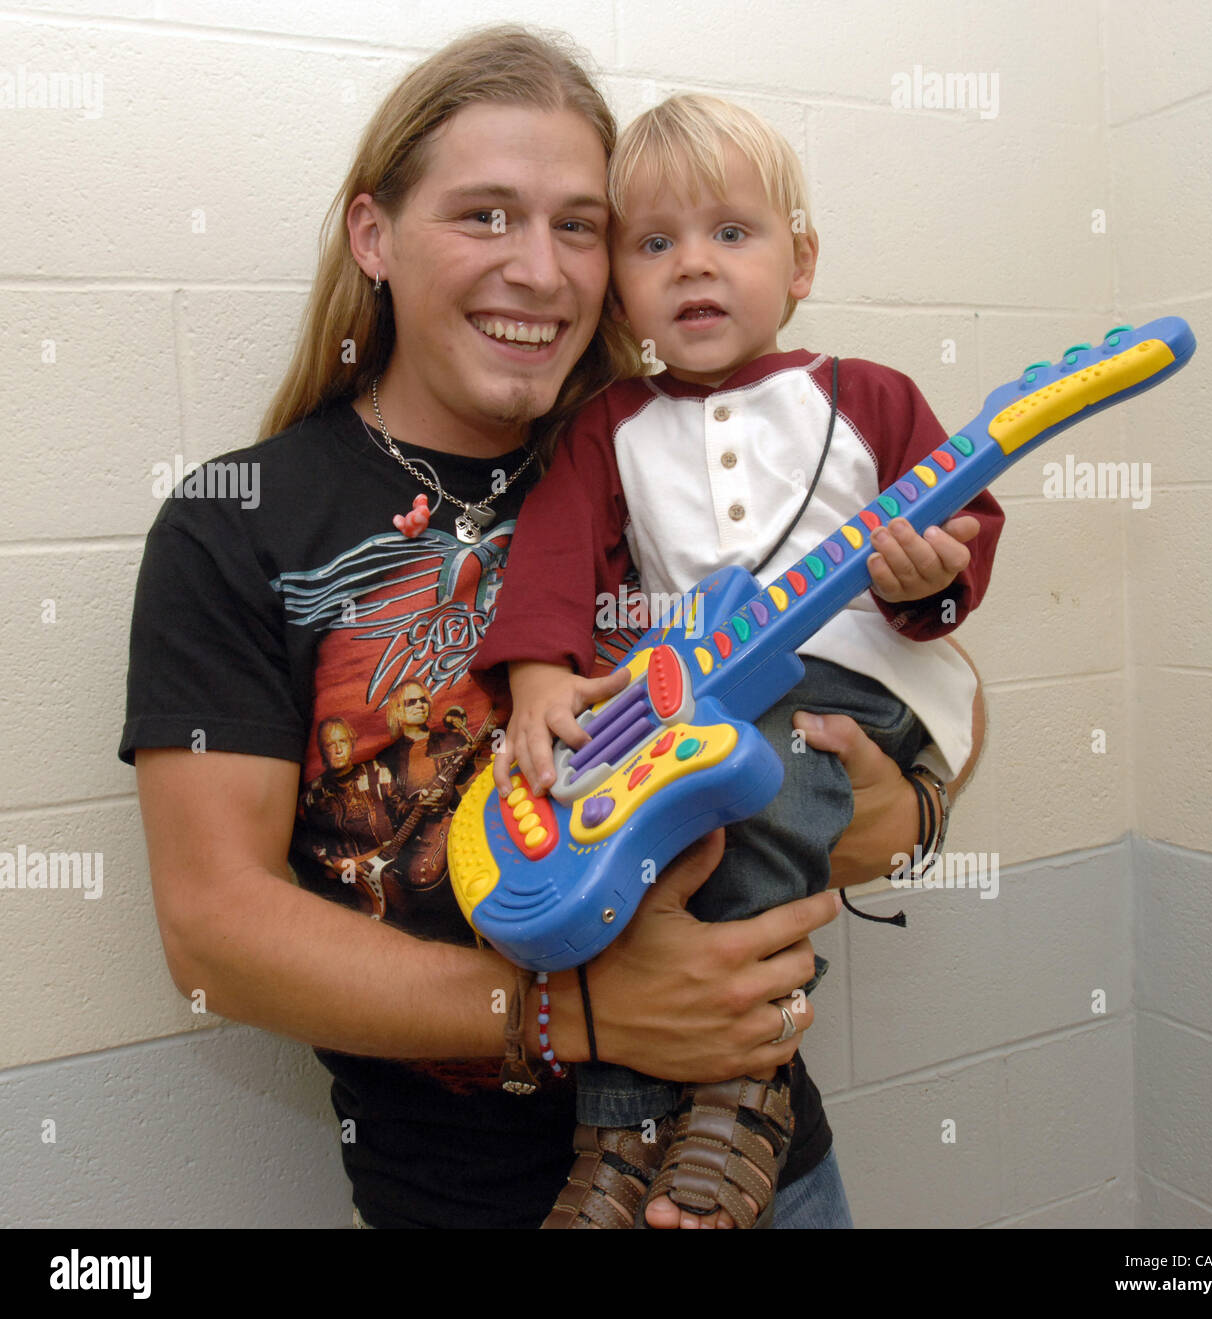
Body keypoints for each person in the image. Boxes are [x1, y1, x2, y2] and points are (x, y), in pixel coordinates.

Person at [119, 26, 986, 1230]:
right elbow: (217, 930)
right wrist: (565, 1016)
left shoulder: (659, 452)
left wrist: (911, 808)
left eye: (578, 225)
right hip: (481, 1204)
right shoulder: (238, 522)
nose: (539, 270)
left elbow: (910, 681)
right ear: (373, 235)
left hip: (765, 1174)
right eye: (485, 215)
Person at [474, 93, 1005, 1229]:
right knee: (648, 826)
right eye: (654, 243)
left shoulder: (867, 396)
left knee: (762, 771)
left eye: (730, 233)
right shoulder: (611, 423)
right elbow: (558, 554)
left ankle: (743, 1086)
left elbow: (966, 523)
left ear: (798, 259)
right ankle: (621, 1129)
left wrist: (927, 576)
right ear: (619, 284)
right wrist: (534, 673)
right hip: (710, 693)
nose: (692, 266)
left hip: (865, 691)